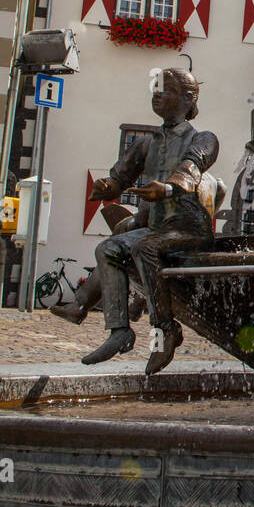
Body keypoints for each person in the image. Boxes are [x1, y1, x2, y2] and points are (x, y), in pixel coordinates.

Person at [85, 68, 220, 374]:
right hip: (159, 227)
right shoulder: (146, 144)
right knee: (108, 249)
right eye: (155, 89)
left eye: (166, 90)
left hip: (189, 229)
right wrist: (108, 186)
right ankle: (119, 331)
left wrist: (170, 187)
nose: (157, 95)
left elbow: (193, 166)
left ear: (189, 99)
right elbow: (120, 177)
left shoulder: (203, 138)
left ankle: (165, 329)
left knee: (145, 248)